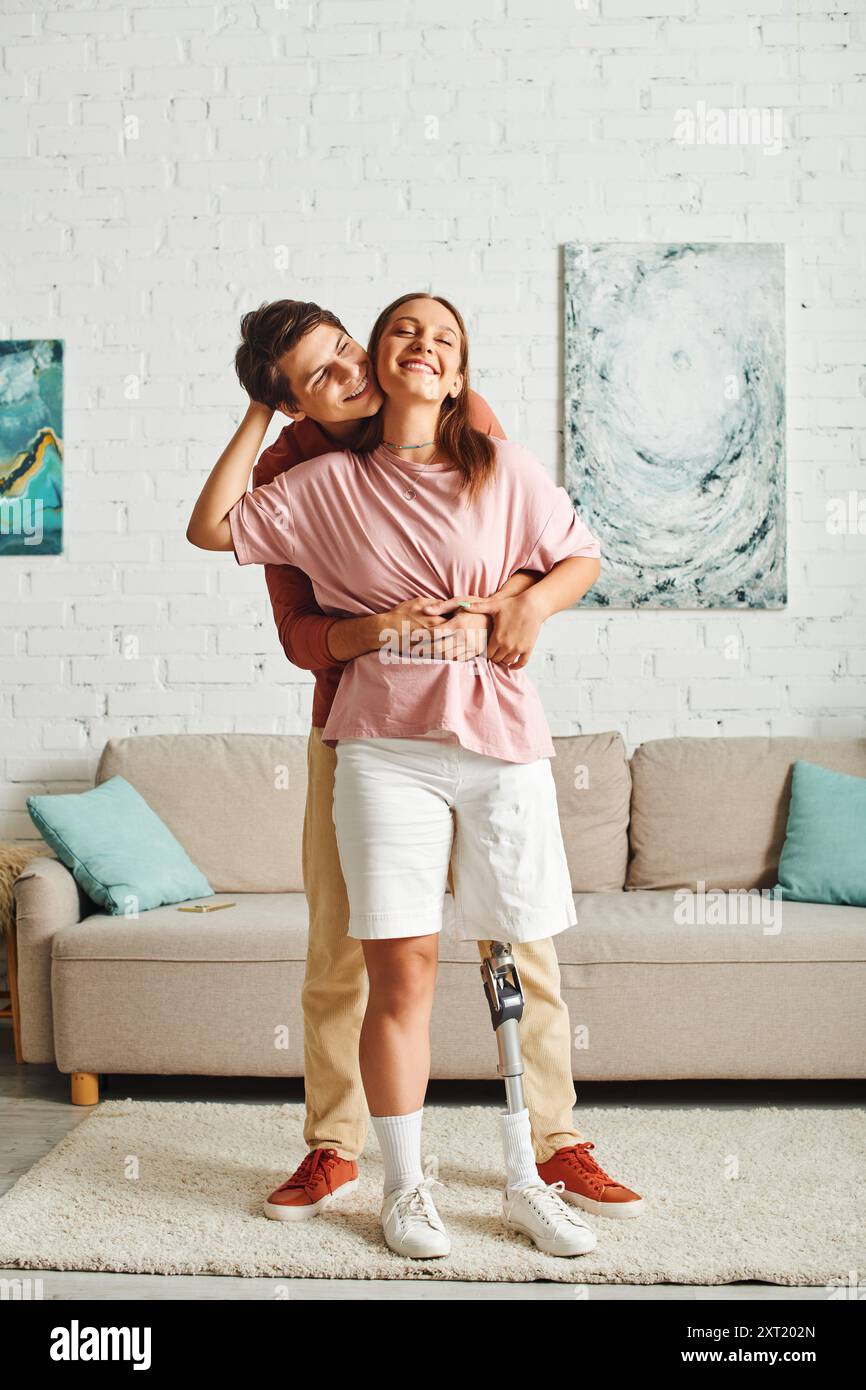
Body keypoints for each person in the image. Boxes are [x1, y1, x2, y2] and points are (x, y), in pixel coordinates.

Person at [187, 293, 644, 1255]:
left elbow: (533, 541)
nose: (350, 373)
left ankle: (551, 1145)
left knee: (520, 948)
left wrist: (508, 609)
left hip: (485, 726)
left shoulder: (462, 417)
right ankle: (342, 1147)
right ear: (293, 401)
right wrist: (378, 629)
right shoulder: (292, 471)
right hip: (359, 726)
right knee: (350, 946)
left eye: (346, 349)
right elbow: (300, 635)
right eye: (318, 374)